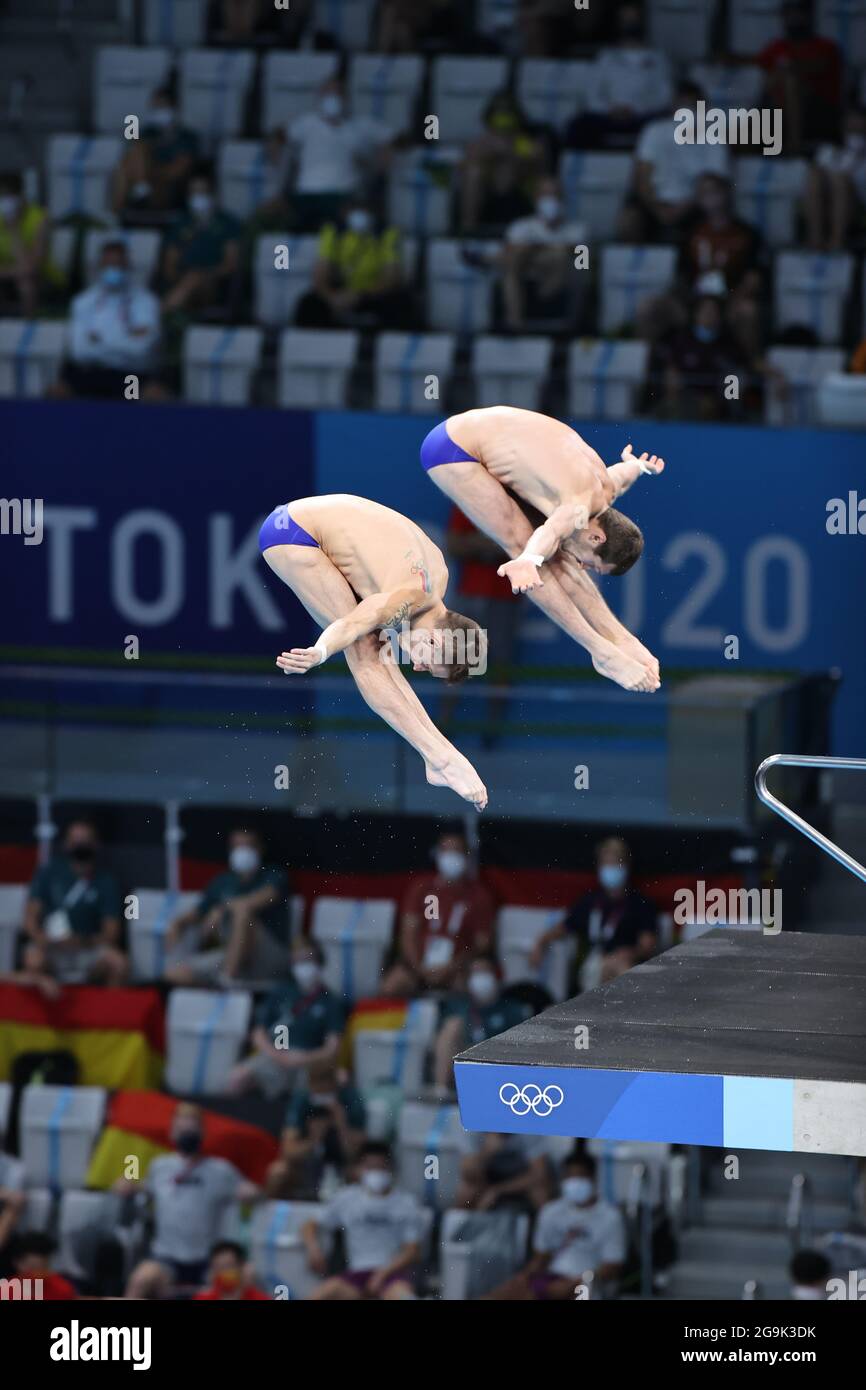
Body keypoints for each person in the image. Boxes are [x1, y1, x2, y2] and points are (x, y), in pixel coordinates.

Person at [258, 494, 489, 809]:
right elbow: (353, 624)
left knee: (381, 651)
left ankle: (438, 753)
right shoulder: (406, 599)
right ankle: (440, 758)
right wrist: (321, 651)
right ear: (437, 640)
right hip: (292, 534)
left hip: (306, 522)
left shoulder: (437, 584)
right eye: (428, 665)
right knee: (366, 649)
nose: (418, 668)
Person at [421, 406, 662, 692]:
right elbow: (547, 533)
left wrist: (638, 465)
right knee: (524, 541)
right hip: (452, 448)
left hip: (488, 430)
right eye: (593, 564)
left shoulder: (607, 488)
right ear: (597, 538)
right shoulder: (577, 507)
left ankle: (622, 639)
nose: (584, 567)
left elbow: (624, 472)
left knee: (557, 551)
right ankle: (600, 652)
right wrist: (528, 560)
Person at [114, 1103, 259, 1288]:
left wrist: (253, 1193)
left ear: (203, 1133)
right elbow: (141, 1186)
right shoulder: (160, 1166)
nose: (187, 1135)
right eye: (182, 1130)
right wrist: (127, 1183)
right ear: (173, 1133)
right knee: (140, 1280)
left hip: (210, 1260)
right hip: (166, 1258)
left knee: (244, 1278)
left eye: (192, 1130)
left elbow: (251, 1191)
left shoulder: (221, 1170)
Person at [483, 1149, 625, 1299]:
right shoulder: (551, 1211)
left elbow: (612, 1266)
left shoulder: (610, 1217)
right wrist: (522, 1279)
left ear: (592, 1178)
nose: (574, 1182)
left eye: (580, 1176)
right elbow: (541, 1258)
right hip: (552, 1279)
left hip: (587, 1283)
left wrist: (576, 1282)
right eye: (569, 1176)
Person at [164, 827, 289, 984]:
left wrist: (221, 909)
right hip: (232, 953)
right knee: (175, 974)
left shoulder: (273, 875)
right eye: (237, 846)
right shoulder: (222, 882)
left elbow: (256, 901)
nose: (242, 852)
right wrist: (177, 923)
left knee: (243, 911)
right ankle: (218, 989)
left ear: (260, 848)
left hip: (268, 957)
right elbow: (196, 913)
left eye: (248, 846)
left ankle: (228, 979)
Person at [530, 836, 658, 985]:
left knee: (621, 968)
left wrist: (629, 953)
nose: (611, 868)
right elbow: (563, 928)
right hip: (595, 963)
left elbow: (647, 945)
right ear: (599, 867)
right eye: (606, 864)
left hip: (628, 963)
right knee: (608, 969)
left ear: (626, 866)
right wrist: (541, 942)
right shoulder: (590, 902)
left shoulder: (640, 904)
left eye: (616, 863)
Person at [303, 1143, 423, 1300]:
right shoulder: (347, 1198)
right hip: (356, 1276)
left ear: (391, 1169)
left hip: (392, 1275)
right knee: (323, 1294)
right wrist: (314, 1249)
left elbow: (412, 1251)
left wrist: (382, 1274)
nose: (376, 1173)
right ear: (358, 1169)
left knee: (403, 1296)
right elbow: (309, 1225)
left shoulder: (406, 1203)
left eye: (380, 1167)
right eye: (370, 1167)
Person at [227, 939, 343, 1099]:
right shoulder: (281, 992)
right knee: (236, 1078)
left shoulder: (331, 1001)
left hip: (309, 1062)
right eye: (297, 961)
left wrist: (303, 1058)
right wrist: (279, 1056)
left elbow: (332, 1048)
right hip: (276, 1055)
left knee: (338, 1080)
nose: (302, 966)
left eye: (307, 960)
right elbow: (258, 1034)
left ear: (319, 962)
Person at [383, 830, 496, 993]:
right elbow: (408, 933)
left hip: (457, 967)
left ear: (466, 857)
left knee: (477, 986)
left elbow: (482, 943)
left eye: (456, 851)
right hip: (419, 964)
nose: (451, 856)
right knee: (392, 986)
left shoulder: (479, 894)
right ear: (437, 855)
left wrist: (454, 966)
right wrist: (419, 968)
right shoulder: (422, 887)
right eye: (446, 850)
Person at [50, 239, 162, 401]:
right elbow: (79, 351)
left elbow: (142, 350)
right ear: (99, 267)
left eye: (118, 264)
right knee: (57, 392)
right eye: (109, 264)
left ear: (128, 266)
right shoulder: (83, 301)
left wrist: (99, 340)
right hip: (90, 372)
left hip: (130, 375)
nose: (114, 269)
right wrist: (127, 338)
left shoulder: (146, 302)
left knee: (152, 395)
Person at [621, 82, 730, 243]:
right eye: (683, 105)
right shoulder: (655, 131)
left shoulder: (715, 139)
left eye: (693, 106)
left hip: (693, 205)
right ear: (674, 107)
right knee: (629, 219)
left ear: (705, 109)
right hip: (654, 201)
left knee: (713, 211)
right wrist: (657, 208)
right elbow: (642, 176)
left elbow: (713, 184)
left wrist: (681, 208)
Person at [23, 818, 128, 985]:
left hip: (87, 949)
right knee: (33, 959)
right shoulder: (49, 872)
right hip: (52, 947)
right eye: (75, 841)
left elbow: (112, 931)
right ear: (66, 844)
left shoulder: (107, 881)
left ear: (96, 844)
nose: (80, 846)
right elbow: (30, 919)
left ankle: (108, 1010)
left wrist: (83, 941)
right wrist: (43, 939)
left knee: (118, 963)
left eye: (85, 841)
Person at [285, 77, 393, 232]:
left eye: (338, 93)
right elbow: (280, 139)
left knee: (358, 221)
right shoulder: (305, 123)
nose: (333, 97)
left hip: (344, 196)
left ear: (346, 98)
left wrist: (378, 168)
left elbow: (392, 139)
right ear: (320, 96)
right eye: (328, 92)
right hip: (306, 195)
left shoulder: (360, 126)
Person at [565, 3, 672, 150]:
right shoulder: (605, 57)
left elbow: (664, 96)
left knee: (663, 125)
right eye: (625, 21)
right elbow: (591, 94)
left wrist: (635, 109)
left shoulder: (658, 58)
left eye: (633, 21)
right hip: (607, 117)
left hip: (641, 117)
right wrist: (610, 110)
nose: (630, 25)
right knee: (577, 126)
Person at [295, 197, 414, 329]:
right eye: (354, 209)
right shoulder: (334, 232)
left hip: (373, 295)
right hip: (340, 294)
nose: (358, 214)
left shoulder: (387, 233)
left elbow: (391, 277)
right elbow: (321, 273)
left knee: (403, 304)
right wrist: (331, 297)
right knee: (308, 304)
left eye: (363, 209)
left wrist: (362, 295)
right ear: (345, 212)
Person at [502, 176, 587, 330]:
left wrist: (540, 248)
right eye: (545, 195)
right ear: (536, 198)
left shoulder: (578, 231)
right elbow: (510, 258)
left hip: (558, 287)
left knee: (558, 256)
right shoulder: (520, 227)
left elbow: (583, 265)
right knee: (516, 260)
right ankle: (515, 322)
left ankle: (487, 258)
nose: (550, 200)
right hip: (526, 286)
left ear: (563, 200)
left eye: (554, 195)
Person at [650, 292, 750, 422]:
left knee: (735, 378)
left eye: (713, 311)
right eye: (705, 310)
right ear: (696, 315)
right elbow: (672, 367)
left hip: (718, 400)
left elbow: (741, 367)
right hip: (687, 397)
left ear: (719, 316)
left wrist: (723, 400)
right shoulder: (683, 340)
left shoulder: (728, 342)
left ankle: (732, 420)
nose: (709, 315)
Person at [758, 1, 842, 153]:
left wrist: (788, 68)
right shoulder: (776, 46)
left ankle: (794, 144)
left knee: (790, 81)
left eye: (798, 13)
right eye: (788, 14)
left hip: (817, 113)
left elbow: (817, 67)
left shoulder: (826, 46)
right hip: (776, 113)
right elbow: (757, 64)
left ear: (809, 16)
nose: (793, 19)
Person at [433, 955, 528, 1087]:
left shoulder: (511, 1009)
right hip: (465, 1065)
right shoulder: (460, 1006)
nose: (480, 978)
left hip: (499, 1068)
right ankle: (440, 1090)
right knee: (451, 1026)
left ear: (496, 976)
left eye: (484, 972)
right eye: (475, 973)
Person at [264, 1077, 366, 1199]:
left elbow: (353, 1155)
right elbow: (287, 1152)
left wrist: (341, 1125)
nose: (322, 1120)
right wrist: (314, 1140)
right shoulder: (302, 1105)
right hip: (306, 1168)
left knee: (361, 1173)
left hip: (339, 1170)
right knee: (278, 1172)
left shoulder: (349, 1102)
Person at [459, 91, 545, 234]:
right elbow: (466, 164)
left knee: (508, 167)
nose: (503, 116)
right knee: (474, 173)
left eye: (507, 111)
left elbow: (541, 169)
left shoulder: (529, 143)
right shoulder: (480, 143)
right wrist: (490, 154)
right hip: (487, 199)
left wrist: (511, 154)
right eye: (499, 111)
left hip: (518, 198)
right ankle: (468, 230)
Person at [160, 165, 241, 315]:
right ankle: (170, 316)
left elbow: (230, 264)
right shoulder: (180, 223)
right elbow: (169, 264)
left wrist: (204, 275)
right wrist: (181, 278)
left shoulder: (228, 223)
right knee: (189, 281)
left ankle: (162, 317)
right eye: (193, 193)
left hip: (214, 284)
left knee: (194, 278)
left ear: (213, 194)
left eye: (202, 192)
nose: (197, 197)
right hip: (181, 282)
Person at [111, 84, 201, 215]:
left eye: (162, 107)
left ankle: (141, 190)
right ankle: (117, 215)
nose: (158, 111)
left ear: (174, 108)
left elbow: (177, 172)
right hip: (142, 184)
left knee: (135, 161)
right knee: (124, 166)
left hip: (168, 189)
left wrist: (150, 174)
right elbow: (130, 160)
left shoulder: (188, 137)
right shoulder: (147, 133)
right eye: (155, 107)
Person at [805, 106, 866, 252]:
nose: (853, 122)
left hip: (856, 199)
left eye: (858, 118)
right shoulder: (830, 148)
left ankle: (836, 241)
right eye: (850, 118)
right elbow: (819, 171)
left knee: (839, 180)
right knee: (814, 176)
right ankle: (815, 238)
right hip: (828, 198)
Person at [0, 171, 61, 315]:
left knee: (26, 284)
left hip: (42, 277)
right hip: (8, 272)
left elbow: (31, 268)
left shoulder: (40, 218)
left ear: (21, 196)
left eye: (8, 196)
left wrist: (13, 229)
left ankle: (28, 328)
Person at [6, 1232, 79, 1299]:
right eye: (32, 1268)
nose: (37, 1274)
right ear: (16, 1263)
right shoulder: (6, 1291)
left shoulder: (62, 1289)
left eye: (43, 1269)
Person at [193, 1241, 269, 1300]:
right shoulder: (203, 1298)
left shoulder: (259, 1298)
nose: (223, 1272)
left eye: (228, 1266)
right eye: (218, 1268)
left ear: (242, 1267)